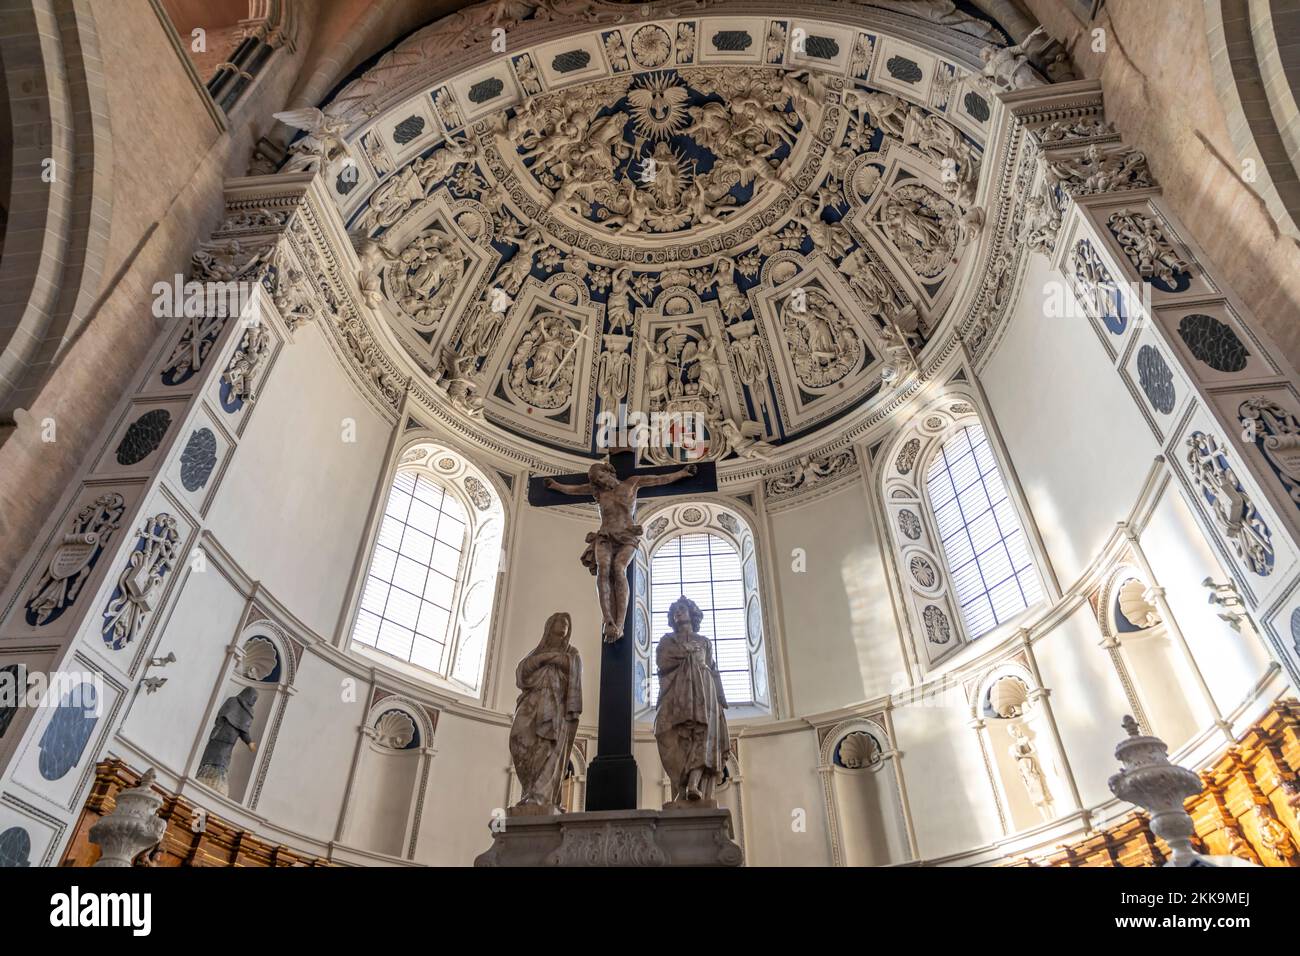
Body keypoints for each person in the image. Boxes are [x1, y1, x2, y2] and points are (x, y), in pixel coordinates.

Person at [545, 461, 696, 640]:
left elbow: (659, 479)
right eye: (596, 481)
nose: (600, 482)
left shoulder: (632, 483)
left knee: (618, 568)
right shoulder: (598, 491)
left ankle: (620, 624)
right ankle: (608, 620)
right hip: (605, 536)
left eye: (601, 477)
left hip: (627, 536)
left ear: (609, 471)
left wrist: (681, 473)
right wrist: (556, 486)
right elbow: (574, 490)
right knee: (603, 570)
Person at [654, 595, 730, 805]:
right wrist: (685, 652)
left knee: (703, 734)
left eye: (682, 609)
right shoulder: (667, 641)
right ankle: (681, 786)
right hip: (677, 691)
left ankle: (693, 784)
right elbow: (662, 662)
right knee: (671, 735)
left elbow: (712, 668)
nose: (678, 613)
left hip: (704, 690)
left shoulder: (704, 641)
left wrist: (720, 699)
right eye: (674, 611)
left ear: (692, 613)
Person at [508, 612, 582, 813]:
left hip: (555, 707)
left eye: (567, 623)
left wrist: (552, 659)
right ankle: (529, 791)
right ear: (550, 625)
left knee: (547, 748)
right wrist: (547, 657)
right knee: (518, 738)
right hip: (531, 702)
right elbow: (521, 673)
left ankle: (539, 797)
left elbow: (574, 667)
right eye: (559, 621)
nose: (564, 625)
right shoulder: (537, 651)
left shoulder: (571, 652)